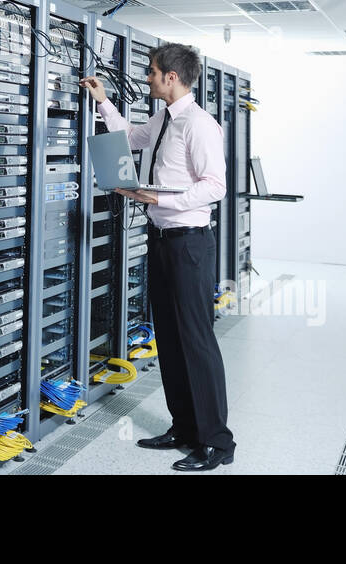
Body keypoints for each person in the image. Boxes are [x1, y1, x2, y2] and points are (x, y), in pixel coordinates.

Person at [80, 43, 235, 472]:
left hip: (189, 243)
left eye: (151, 72)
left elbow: (214, 185)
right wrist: (103, 102)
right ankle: (185, 428)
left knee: (196, 342)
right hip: (163, 239)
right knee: (168, 337)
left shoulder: (200, 124)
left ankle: (217, 441)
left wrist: (160, 198)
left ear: (171, 77)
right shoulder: (165, 119)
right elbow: (130, 138)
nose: (146, 77)